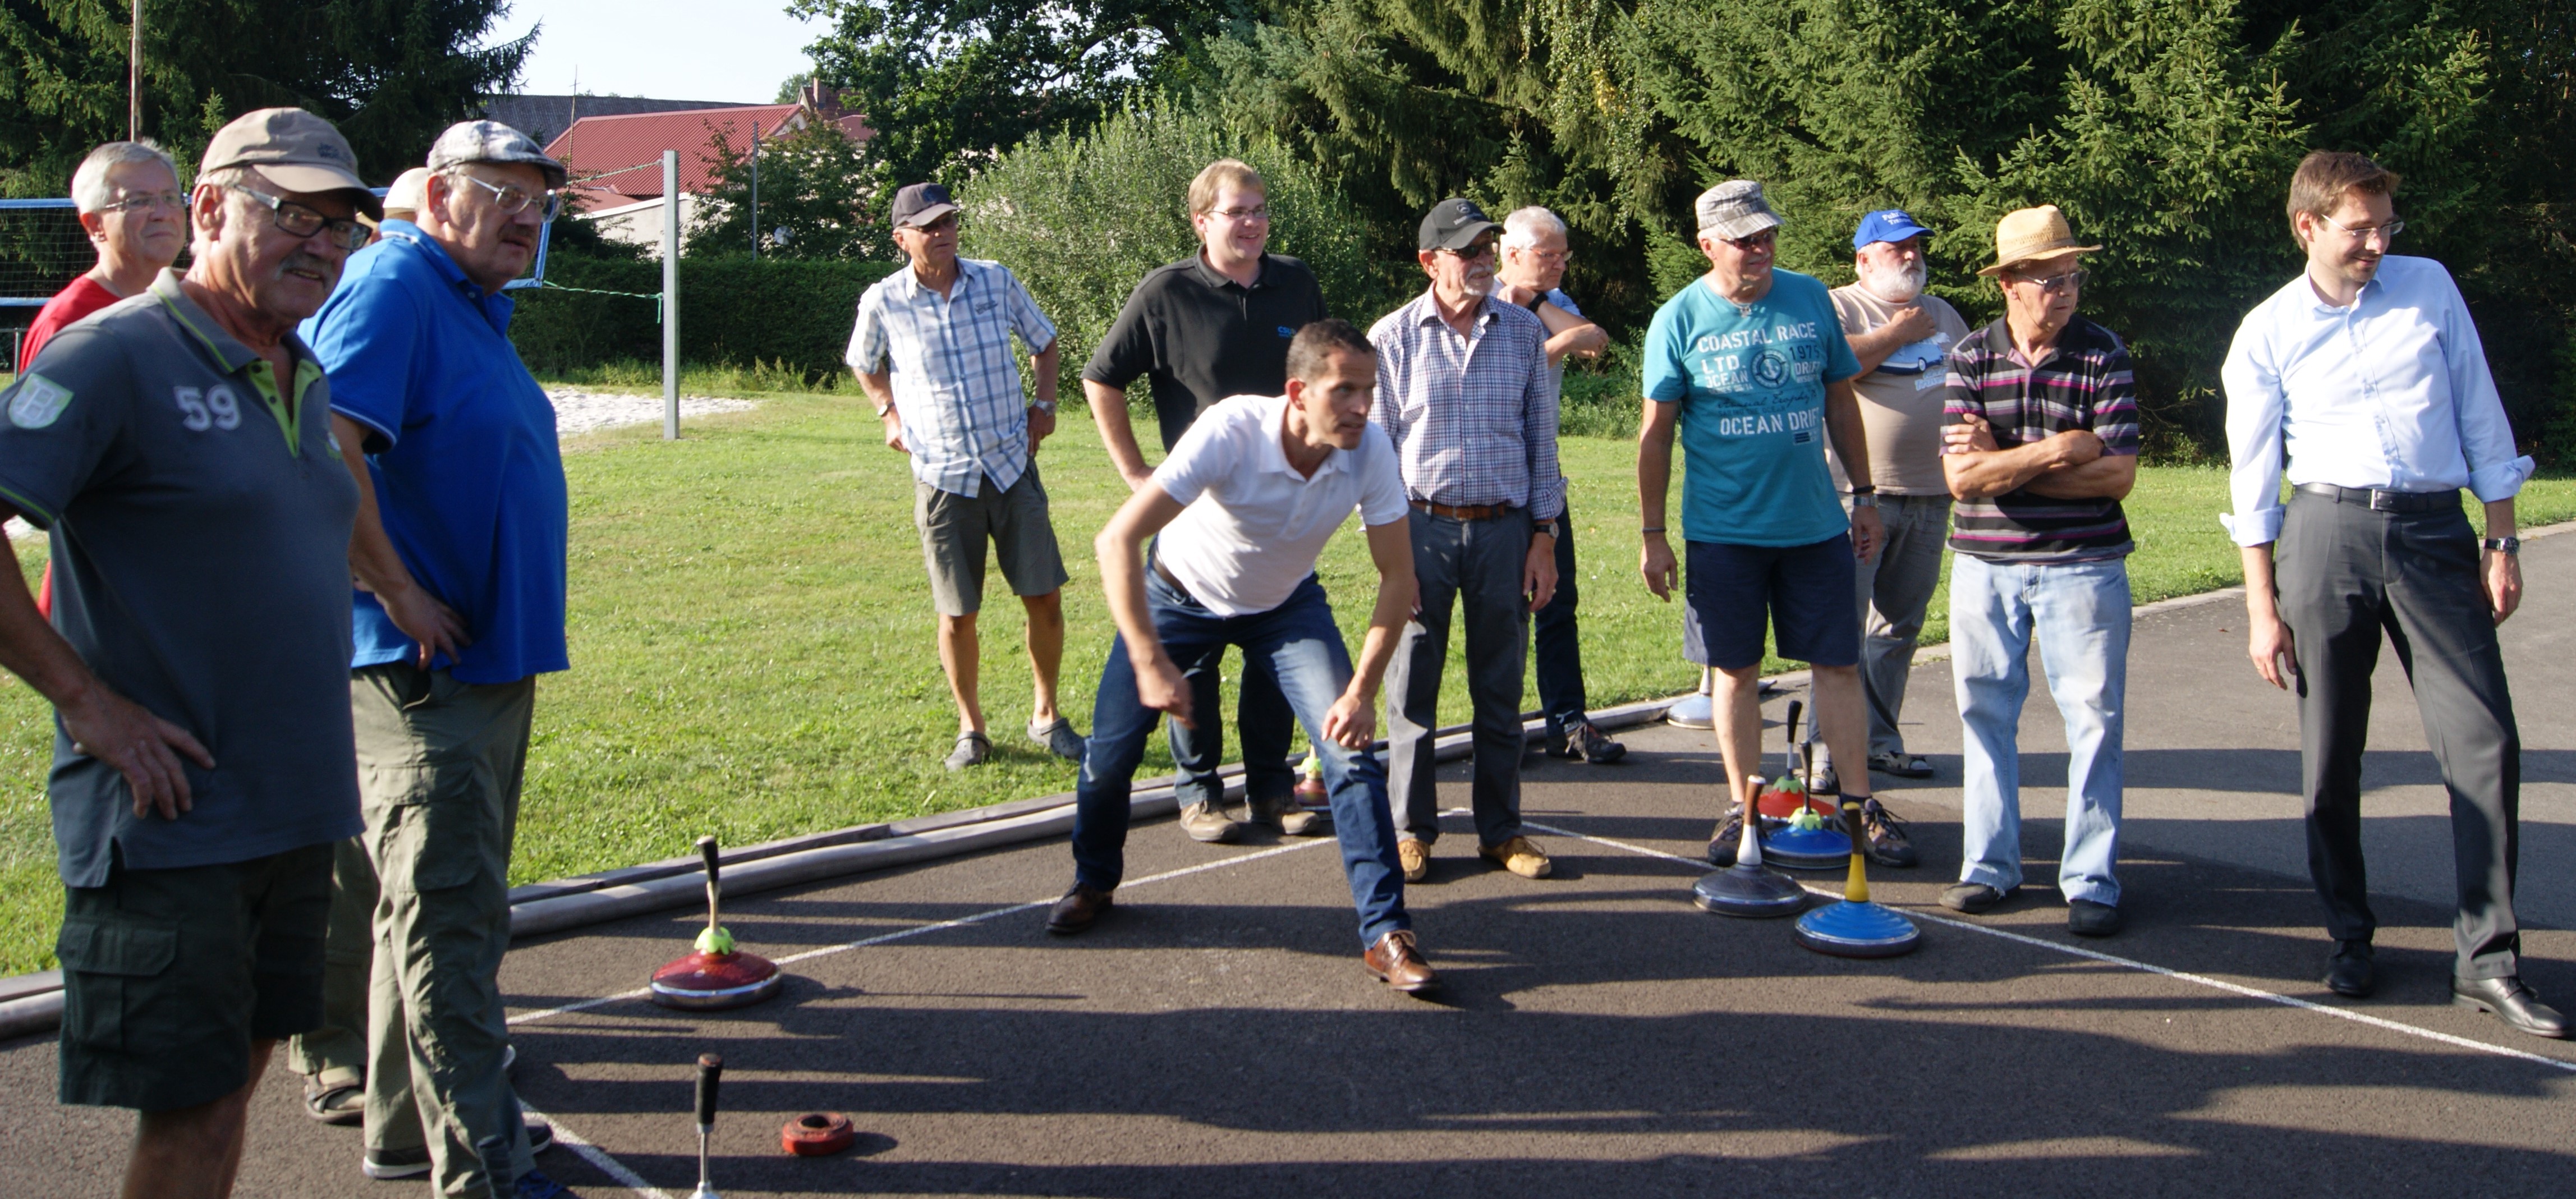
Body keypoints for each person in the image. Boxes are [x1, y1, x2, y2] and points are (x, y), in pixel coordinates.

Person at [0, 107, 375, 1199]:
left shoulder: (298, 367)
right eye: (289, 214)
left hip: (295, 808)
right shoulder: (112, 355)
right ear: (208, 208)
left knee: (233, 1096)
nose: (319, 243)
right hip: (175, 821)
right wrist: (87, 702)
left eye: (339, 225)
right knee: (189, 1112)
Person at [2223, 151, 2558, 1037]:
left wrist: (2501, 535)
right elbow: (2251, 478)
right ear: (2307, 227)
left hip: (2432, 535)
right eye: (2356, 229)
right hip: (2323, 536)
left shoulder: (2428, 287)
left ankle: (2486, 960)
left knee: (2483, 741)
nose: (2376, 243)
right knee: (2330, 752)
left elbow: (2478, 410)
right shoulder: (2265, 330)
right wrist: (2259, 607)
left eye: (2383, 227)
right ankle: (2348, 934)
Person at [302, 121, 573, 1197]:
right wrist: (398, 586)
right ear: (436, 195)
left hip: (484, 665)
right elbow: (330, 439)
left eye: (538, 200)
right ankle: (485, 1169)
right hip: (425, 676)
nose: (525, 216)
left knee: (430, 907)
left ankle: (403, 1130)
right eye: (502, 193)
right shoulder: (394, 284)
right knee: (448, 916)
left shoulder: (463, 300)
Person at [1047, 319, 1438, 993]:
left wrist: (1362, 691)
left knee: (1349, 754)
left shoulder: (1369, 449)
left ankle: (1384, 932)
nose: (1362, 406)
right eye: (1344, 390)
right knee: (1110, 756)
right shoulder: (1232, 430)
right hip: (1178, 595)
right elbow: (1116, 540)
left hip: (1284, 607)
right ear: (1297, 391)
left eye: (1369, 390)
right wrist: (1147, 658)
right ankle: (1094, 881)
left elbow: (1399, 577)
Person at [1636, 180, 1904, 870]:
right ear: (1707, 245)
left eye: (1767, 237)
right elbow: (1656, 435)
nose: (1760, 250)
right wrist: (1653, 534)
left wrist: (1865, 496)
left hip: (1814, 526)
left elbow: (1839, 401)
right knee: (1735, 671)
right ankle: (1742, 806)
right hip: (1724, 531)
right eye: (1743, 240)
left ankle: (1859, 805)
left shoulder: (1809, 296)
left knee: (1837, 665)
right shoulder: (1678, 319)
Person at [1082, 159, 1330, 841]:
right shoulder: (1166, 293)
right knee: (1194, 658)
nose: (1251, 223)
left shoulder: (1297, 282)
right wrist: (1136, 473)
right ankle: (1198, 793)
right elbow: (1101, 378)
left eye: (1259, 210)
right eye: (1235, 212)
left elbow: (1324, 372)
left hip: (1285, 506)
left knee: (1273, 657)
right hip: (1198, 512)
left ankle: (1273, 791)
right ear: (1202, 220)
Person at [1934, 204, 2138, 938]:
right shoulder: (1967, 357)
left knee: (2092, 718)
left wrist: (2001, 466)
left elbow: (2115, 478)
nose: (2065, 292)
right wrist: (2057, 451)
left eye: (2071, 277)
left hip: (2082, 566)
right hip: (1983, 566)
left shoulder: (2101, 353)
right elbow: (1960, 481)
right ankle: (1988, 867)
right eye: (2049, 280)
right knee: (1982, 713)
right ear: (2009, 285)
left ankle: (2090, 878)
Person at [849, 182, 1081, 771]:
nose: (942, 232)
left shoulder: (995, 279)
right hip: (942, 473)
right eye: (927, 226)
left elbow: (1046, 343)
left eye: (947, 220)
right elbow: (862, 360)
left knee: (1044, 597)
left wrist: (1045, 407)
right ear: (901, 238)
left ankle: (1047, 714)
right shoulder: (884, 300)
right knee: (957, 611)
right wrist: (888, 413)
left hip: (1011, 465)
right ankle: (971, 727)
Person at [1371, 197, 1562, 884]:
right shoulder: (1390, 338)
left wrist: (1544, 537)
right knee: (1411, 689)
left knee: (1500, 690)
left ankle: (1501, 830)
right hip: (1418, 528)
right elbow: (1376, 459)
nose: (1482, 261)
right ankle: (1409, 829)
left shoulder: (1519, 332)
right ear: (1430, 261)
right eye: (1467, 251)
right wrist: (1395, 559)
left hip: (1505, 532)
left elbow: (1543, 441)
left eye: (1488, 248)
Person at [1800, 209, 1971, 804]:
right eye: (1896, 248)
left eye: (1916, 247)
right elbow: (1830, 364)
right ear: (1863, 258)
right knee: (1839, 627)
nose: (1910, 257)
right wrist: (1897, 334)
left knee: (1899, 625)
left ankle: (1877, 739)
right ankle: (1823, 752)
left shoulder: (1945, 313)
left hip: (1931, 491)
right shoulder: (1836, 305)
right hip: (1856, 495)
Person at [17, 140, 189, 622]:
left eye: (170, 197)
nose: (161, 213)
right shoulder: (71, 323)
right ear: (94, 225)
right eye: (138, 201)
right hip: (107, 610)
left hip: (185, 601)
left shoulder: (198, 310)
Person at [1493, 204, 1624, 765]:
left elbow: (1595, 340)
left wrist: (1541, 302)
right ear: (1513, 253)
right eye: (1549, 256)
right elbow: (1508, 366)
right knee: (1498, 608)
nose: (1561, 265)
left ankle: (1566, 721)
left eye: (1564, 256)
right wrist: (1554, 336)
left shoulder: (1552, 302)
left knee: (1557, 600)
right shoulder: (1482, 298)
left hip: (1544, 471)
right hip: (1492, 475)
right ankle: (1499, 727)